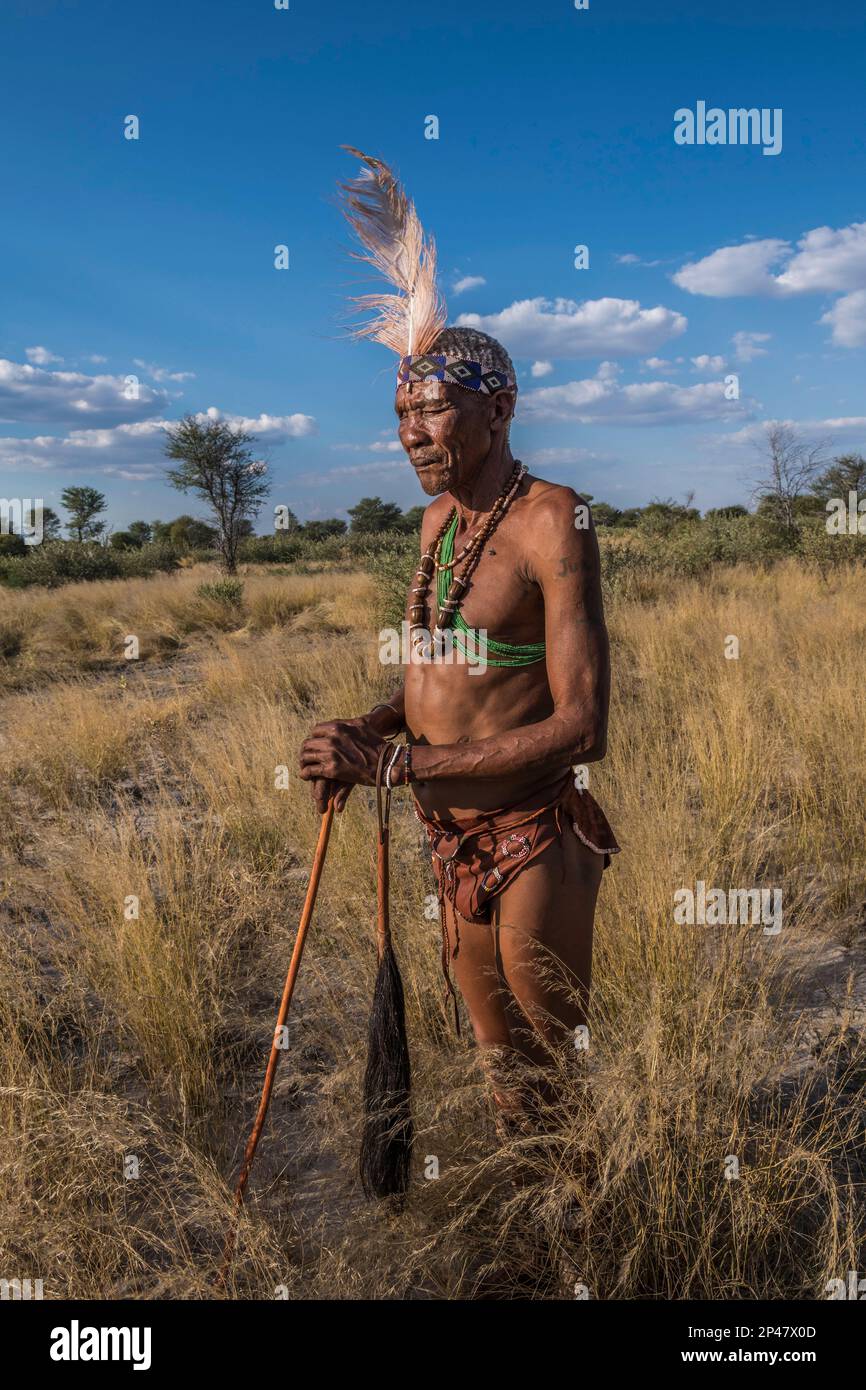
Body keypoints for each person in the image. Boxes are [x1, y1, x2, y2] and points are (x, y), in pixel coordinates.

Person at [299, 151, 618, 1141]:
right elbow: (430, 666)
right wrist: (366, 730)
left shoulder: (550, 520)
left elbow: (582, 724)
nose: (409, 430)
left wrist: (403, 761)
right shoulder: (439, 525)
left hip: (531, 839)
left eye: (431, 407)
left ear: (497, 408)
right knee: (497, 1063)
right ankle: (528, 1240)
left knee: (551, 1061)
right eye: (400, 412)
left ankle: (595, 1241)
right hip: (451, 841)